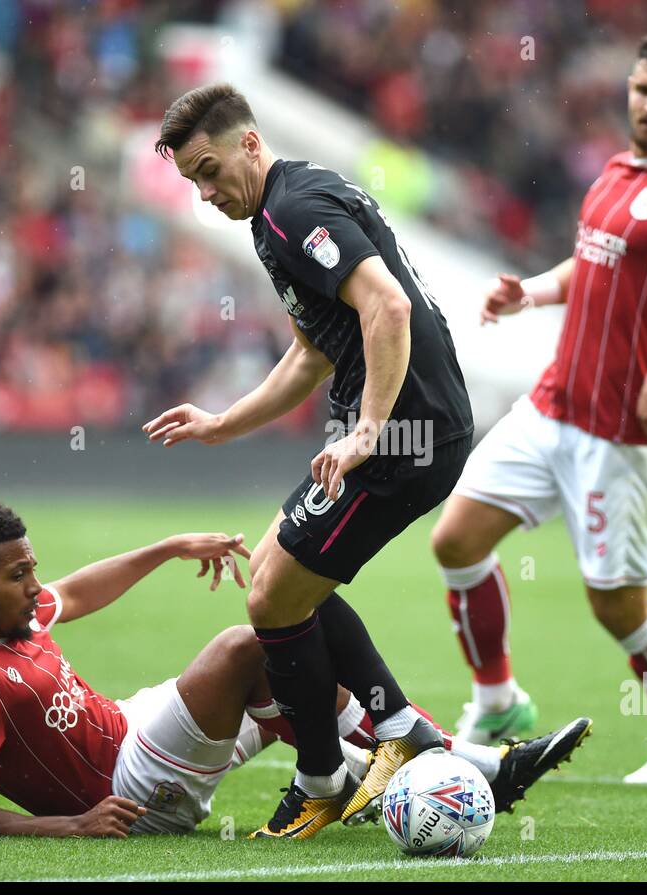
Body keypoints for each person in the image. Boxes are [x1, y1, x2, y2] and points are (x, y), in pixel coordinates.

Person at [428, 31, 647, 784]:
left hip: (621, 431)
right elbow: (593, 263)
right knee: (454, 540)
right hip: (552, 404)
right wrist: (532, 292)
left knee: (616, 604)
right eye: (643, 89)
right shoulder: (614, 171)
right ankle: (498, 698)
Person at [145, 82, 484, 837]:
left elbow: (387, 307)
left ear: (249, 144)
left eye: (208, 169)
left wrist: (366, 431)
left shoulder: (291, 211)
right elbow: (313, 350)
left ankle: (324, 775)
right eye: (191, 181)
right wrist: (224, 422)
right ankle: (398, 725)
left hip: (404, 434)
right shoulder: (280, 210)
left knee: (272, 600)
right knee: (275, 572)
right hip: (402, 425)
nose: (204, 193)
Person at [0, 502, 588, 838]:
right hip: (126, 785)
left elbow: (75, 593)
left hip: (129, 725)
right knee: (247, 643)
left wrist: (168, 547)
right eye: (19, 574)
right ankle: (369, 768)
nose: (34, 585)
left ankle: (441, 768)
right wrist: (75, 825)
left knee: (299, 658)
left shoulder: (7, 612)